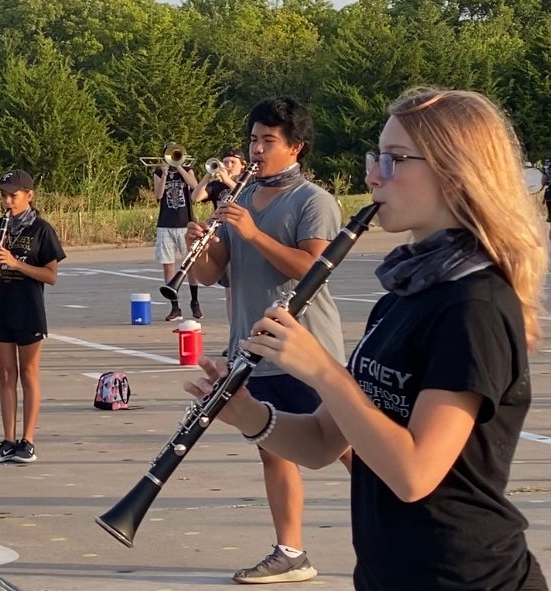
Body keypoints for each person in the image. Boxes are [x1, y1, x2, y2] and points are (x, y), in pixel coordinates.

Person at [188, 88, 549, 590]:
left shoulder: (474, 307)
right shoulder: (402, 297)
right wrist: (246, 413)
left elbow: (415, 473)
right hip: (390, 574)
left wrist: (323, 371)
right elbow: (319, 444)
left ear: (455, 173)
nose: (373, 174)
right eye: (375, 156)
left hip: (465, 576)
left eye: (394, 160)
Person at [185, 96, 348, 584]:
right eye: (253, 139)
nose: (256, 150)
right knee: (271, 450)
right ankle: (290, 552)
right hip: (253, 350)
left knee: (349, 448)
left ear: (295, 147)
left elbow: (313, 269)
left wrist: (253, 235)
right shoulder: (240, 201)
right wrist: (207, 245)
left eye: (267, 141)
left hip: (305, 350)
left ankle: (406, 532)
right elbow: (219, 275)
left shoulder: (313, 201)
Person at [0, 170, 65, 464]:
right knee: (5, 375)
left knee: (28, 374)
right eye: (3, 195)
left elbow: (51, 276)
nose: (7, 201)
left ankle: (27, 440)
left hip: (28, 309)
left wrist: (16, 264)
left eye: (12, 195)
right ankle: (7, 439)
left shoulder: (41, 230)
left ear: (29, 195)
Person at [189, 148, 247, 325]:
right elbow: (195, 197)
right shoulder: (217, 186)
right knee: (230, 293)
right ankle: (233, 336)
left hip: (243, 236)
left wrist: (228, 180)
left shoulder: (248, 183)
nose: (228, 166)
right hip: (222, 237)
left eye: (232, 163)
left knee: (242, 293)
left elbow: (245, 196)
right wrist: (208, 175)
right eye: (225, 162)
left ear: (242, 167)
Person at [153, 147, 202, 320]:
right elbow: (158, 195)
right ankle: (175, 307)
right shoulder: (159, 171)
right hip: (165, 224)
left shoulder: (187, 170)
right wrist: (165, 174)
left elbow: (195, 186)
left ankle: (195, 302)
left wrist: (179, 167)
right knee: (168, 265)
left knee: (190, 264)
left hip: (185, 223)